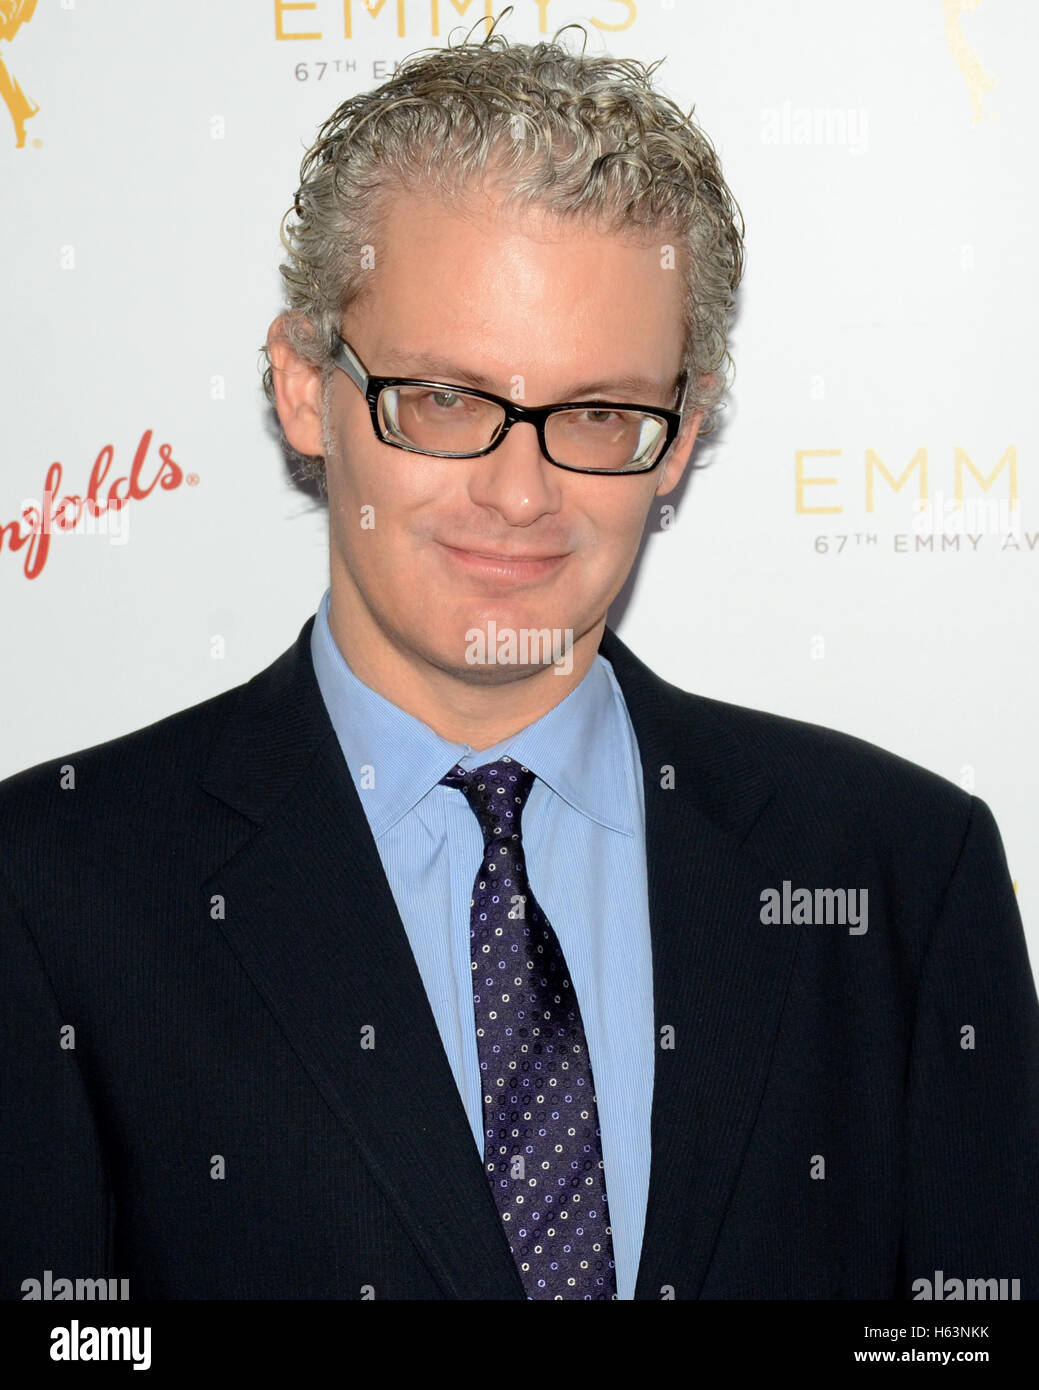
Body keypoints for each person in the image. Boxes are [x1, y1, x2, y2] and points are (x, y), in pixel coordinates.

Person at [2, 26, 1036, 1303]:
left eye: (597, 413)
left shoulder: (901, 875)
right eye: (445, 400)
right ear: (305, 388)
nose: (518, 491)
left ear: (680, 435)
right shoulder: (52, 887)